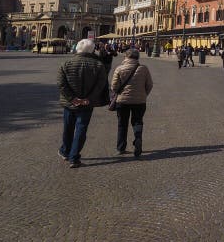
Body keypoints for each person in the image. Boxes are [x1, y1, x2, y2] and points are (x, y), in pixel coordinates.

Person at [56, 38, 109, 168]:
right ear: (92, 50)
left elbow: (61, 84)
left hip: (69, 104)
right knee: (81, 129)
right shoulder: (98, 65)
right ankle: (74, 157)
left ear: (77, 48)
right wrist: (89, 99)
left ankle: (65, 151)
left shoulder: (66, 63)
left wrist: (72, 98)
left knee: (68, 128)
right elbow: (100, 85)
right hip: (87, 104)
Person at [110, 48, 153, 158]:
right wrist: (143, 94)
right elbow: (149, 85)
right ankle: (138, 139)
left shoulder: (119, 68)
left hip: (122, 101)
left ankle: (121, 148)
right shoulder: (144, 69)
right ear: (137, 57)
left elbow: (113, 86)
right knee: (138, 122)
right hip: (140, 101)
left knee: (122, 124)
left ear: (126, 56)